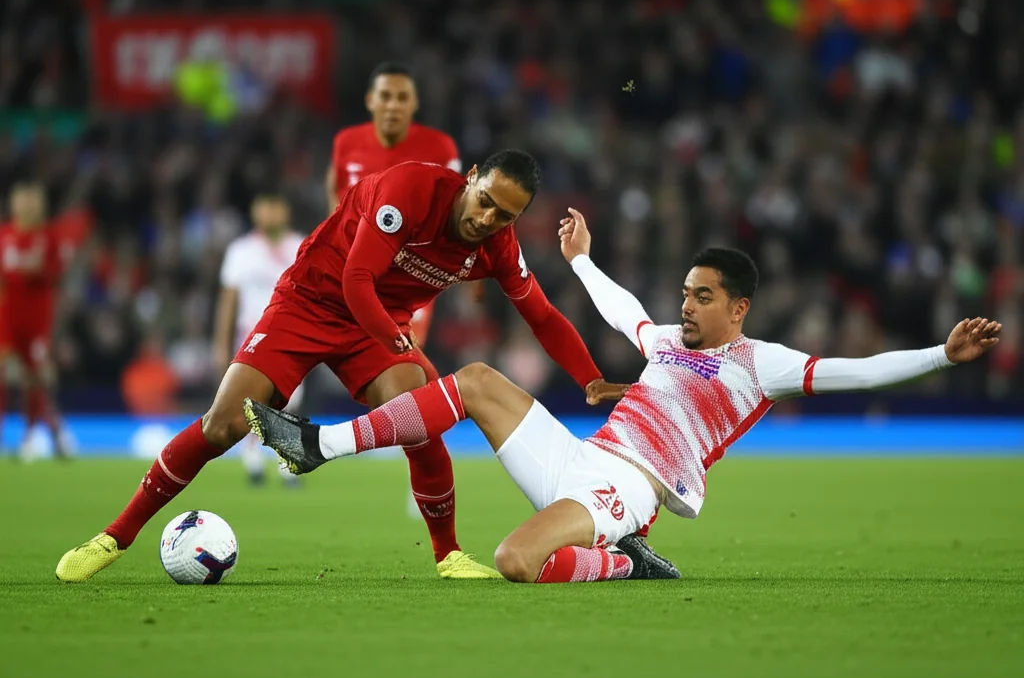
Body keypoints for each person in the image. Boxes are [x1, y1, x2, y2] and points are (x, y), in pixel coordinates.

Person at [245, 207, 1003, 584]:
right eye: (685, 293)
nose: (686, 307)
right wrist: (581, 262)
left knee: (514, 562)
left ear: (737, 307)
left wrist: (944, 353)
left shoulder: (762, 362)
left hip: (628, 486)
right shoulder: (669, 341)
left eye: (702, 297)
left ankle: (625, 562)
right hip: (579, 456)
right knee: (475, 382)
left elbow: (856, 371)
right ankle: (315, 445)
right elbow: (622, 309)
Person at [56, 151, 624, 583]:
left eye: (506, 216)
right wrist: (397, 340)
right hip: (310, 302)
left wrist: (588, 376)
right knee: (223, 425)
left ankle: (448, 554)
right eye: (486, 201)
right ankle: (115, 536)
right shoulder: (412, 190)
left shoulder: (498, 246)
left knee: (419, 416)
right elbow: (355, 280)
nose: (489, 219)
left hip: (377, 324)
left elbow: (542, 315)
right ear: (471, 177)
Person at [326, 61, 463, 347]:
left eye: (402, 98)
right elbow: (336, 191)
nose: (393, 106)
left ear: (414, 103)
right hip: (354, 268)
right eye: (385, 96)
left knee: (403, 355)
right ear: (370, 100)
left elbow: (457, 211)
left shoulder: (440, 148)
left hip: (410, 274)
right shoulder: (346, 142)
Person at [212, 194, 305, 486]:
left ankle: (282, 457)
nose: (270, 213)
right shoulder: (241, 251)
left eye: (275, 206)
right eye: (265, 206)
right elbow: (228, 301)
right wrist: (220, 343)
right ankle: (253, 456)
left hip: (294, 335)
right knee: (253, 399)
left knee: (289, 401)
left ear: (285, 211)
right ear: (255, 212)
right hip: (252, 335)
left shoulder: (301, 246)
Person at [0, 182, 71, 460]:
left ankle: (32, 435)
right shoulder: (4, 235)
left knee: (35, 379)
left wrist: (37, 269)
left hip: (38, 317)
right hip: (8, 314)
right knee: (3, 371)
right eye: (23, 202)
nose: (28, 208)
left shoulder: (49, 237)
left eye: (33, 202)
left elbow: (57, 272)